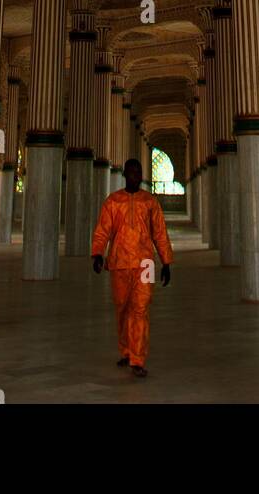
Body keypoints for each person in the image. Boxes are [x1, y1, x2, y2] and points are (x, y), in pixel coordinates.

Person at [91, 158, 173, 377]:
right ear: (126, 174)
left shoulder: (150, 202)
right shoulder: (113, 202)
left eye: (139, 172)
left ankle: (137, 358)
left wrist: (166, 262)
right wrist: (97, 254)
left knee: (140, 308)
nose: (136, 176)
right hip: (119, 262)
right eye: (132, 172)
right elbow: (102, 231)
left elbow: (160, 234)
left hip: (145, 263)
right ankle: (126, 350)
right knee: (123, 308)